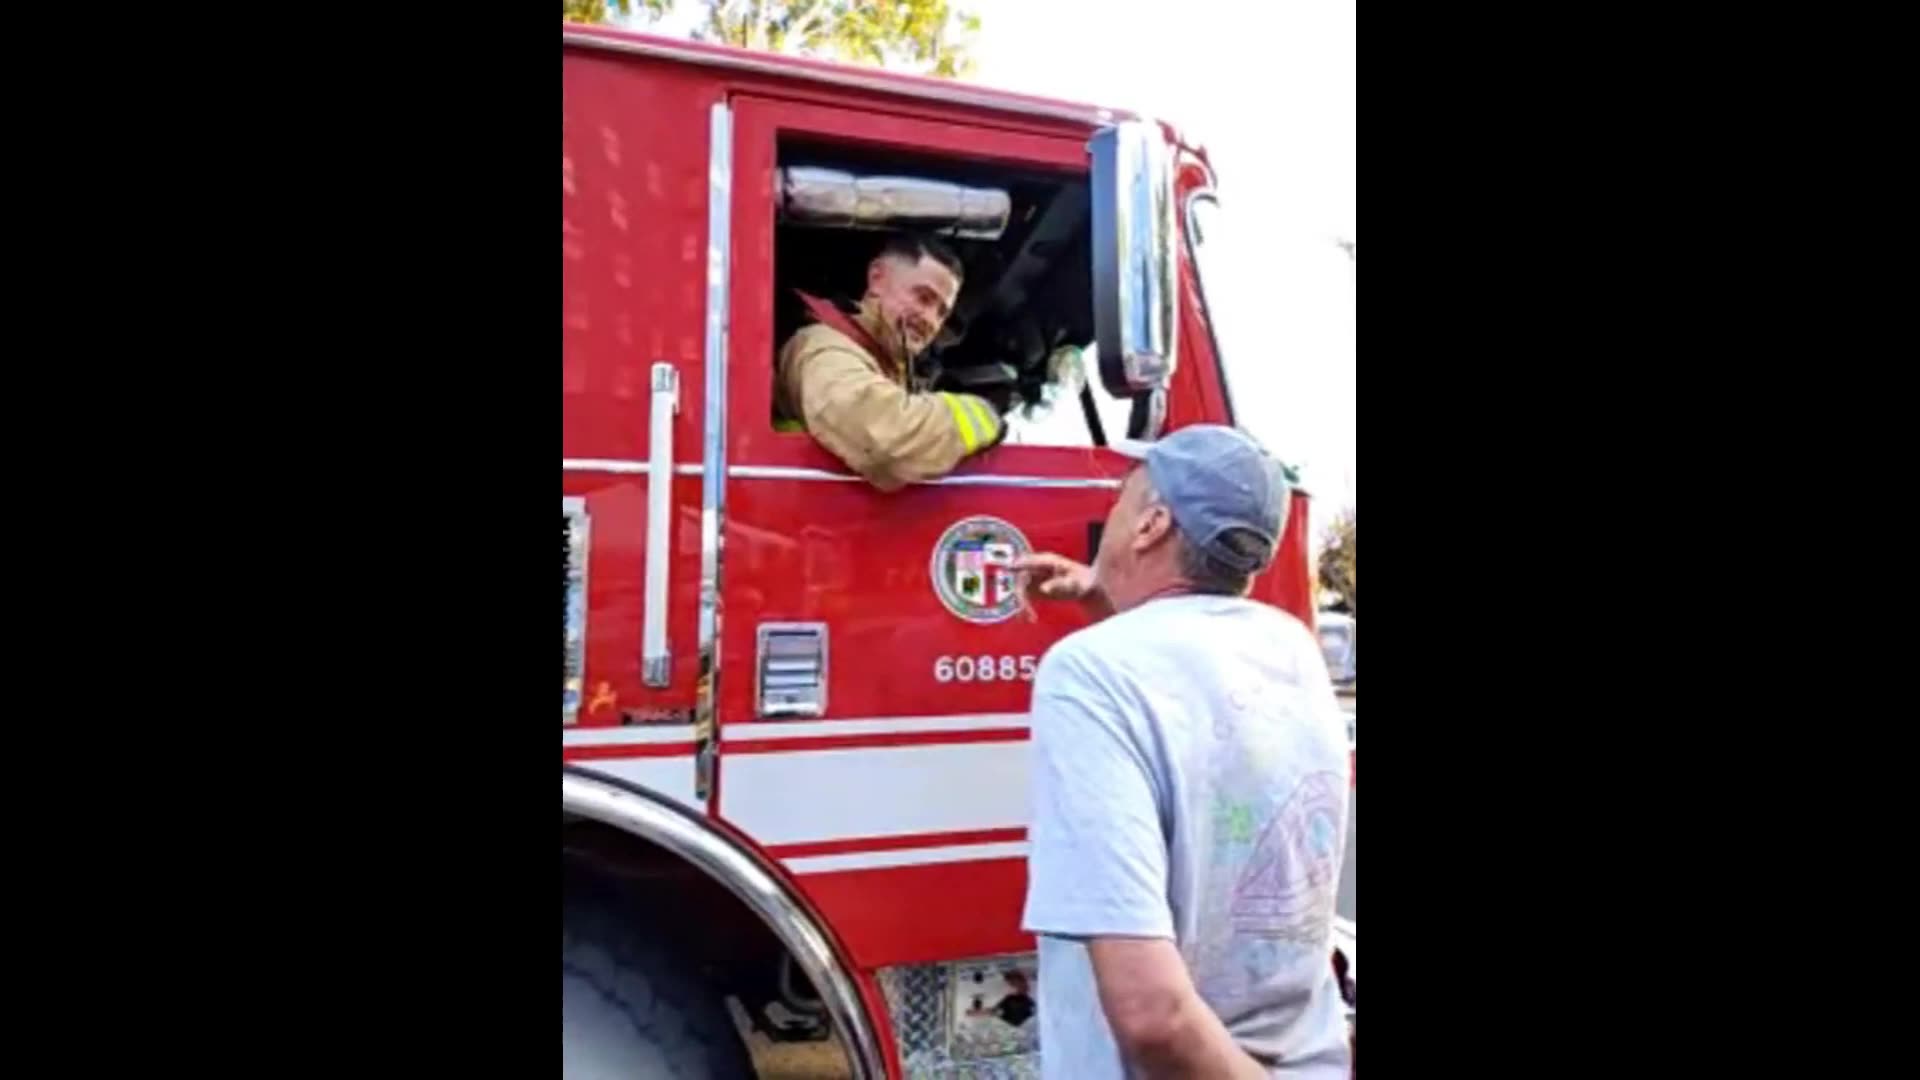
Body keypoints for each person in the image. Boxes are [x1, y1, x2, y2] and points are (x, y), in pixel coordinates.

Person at [1014, 424, 1352, 1079]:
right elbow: (1182, 685)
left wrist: (1103, 624)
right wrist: (1103, 596)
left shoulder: (1087, 672)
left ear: (1151, 526)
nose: (1110, 515)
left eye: (1121, 499)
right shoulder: (1294, 650)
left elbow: (1154, 1018)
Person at [775, 232, 1006, 492]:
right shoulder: (824, 347)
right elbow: (888, 443)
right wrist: (984, 417)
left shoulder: (883, 361)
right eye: (923, 297)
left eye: (942, 312)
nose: (930, 320)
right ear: (877, 278)